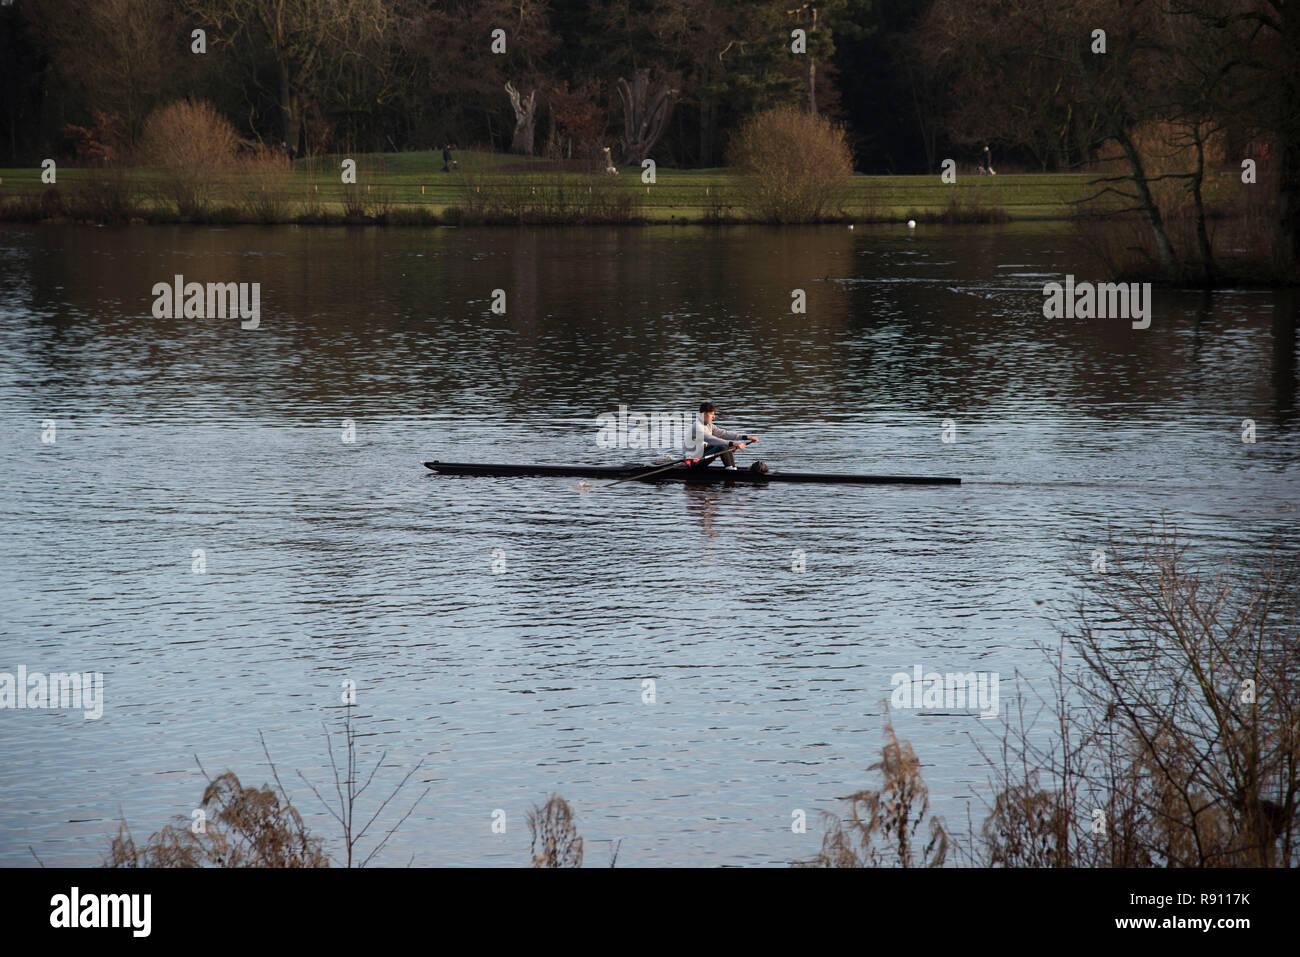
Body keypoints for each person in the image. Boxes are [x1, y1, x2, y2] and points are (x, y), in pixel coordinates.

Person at [683, 402, 756, 470]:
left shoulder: (709, 425)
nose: (713, 417)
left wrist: (745, 437)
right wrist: (733, 443)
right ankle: (729, 469)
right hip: (693, 462)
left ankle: (732, 468)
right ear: (704, 414)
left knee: (725, 445)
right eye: (712, 414)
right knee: (721, 445)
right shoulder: (697, 427)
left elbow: (723, 434)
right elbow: (710, 439)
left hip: (701, 456)